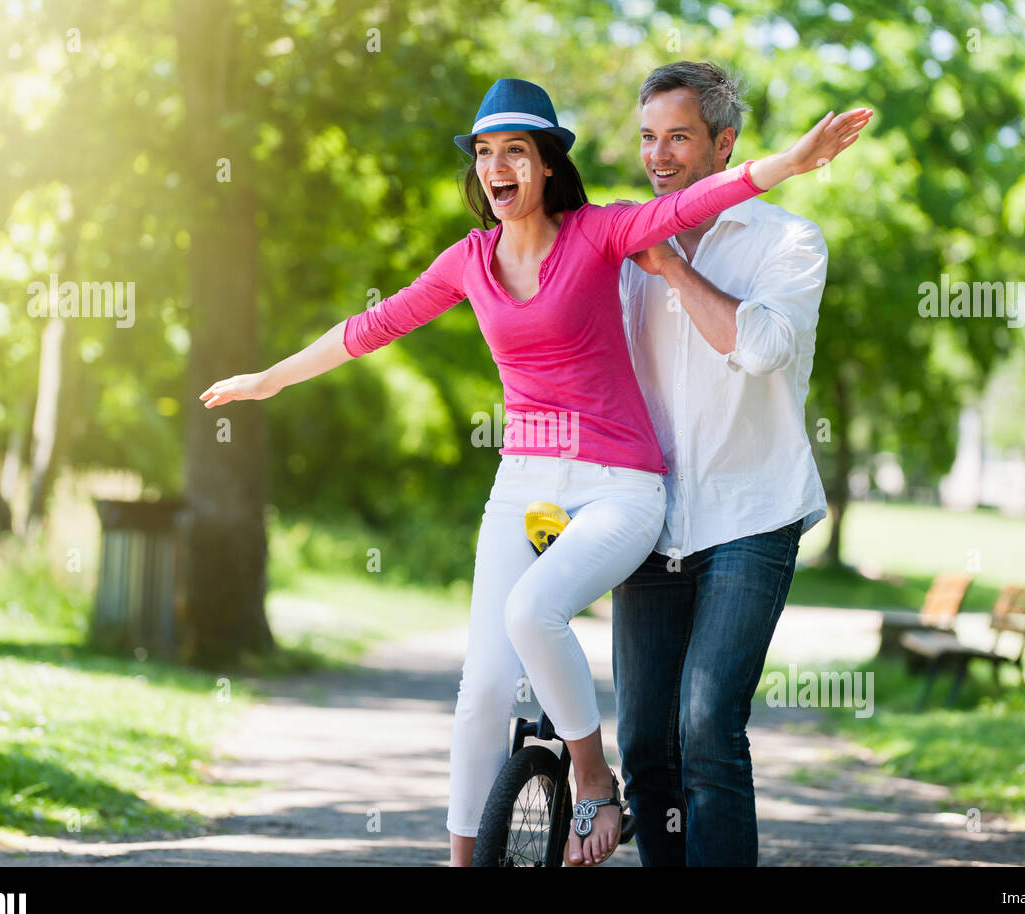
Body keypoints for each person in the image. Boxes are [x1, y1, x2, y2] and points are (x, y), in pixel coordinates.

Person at [198, 77, 870, 866]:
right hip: (541, 484)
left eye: (515, 150)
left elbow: (701, 226)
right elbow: (373, 325)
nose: (497, 166)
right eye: (485, 153)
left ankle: (592, 779)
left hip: (667, 492)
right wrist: (267, 380)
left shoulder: (632, 236)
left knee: (649, 687)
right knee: (509, 695)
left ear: (548, 162)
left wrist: (788, 162)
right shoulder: (476, 259)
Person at [613, 61, 840, 866]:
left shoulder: (790, 241)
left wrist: (672, 264)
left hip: (753, 515)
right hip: (647, 518)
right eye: (648, 138)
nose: (660, 155)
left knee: (706, 722)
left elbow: (760, 346)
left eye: (679, 136)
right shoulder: (623, 247)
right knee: (644, 741)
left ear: (726, 143)